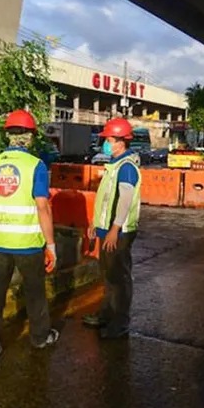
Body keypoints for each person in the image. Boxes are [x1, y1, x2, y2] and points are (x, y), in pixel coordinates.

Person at [0, 109, 59, 366]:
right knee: (35, 292)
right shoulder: (35, 166)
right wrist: (51, 245)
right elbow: (43, 206)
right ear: (30, 137)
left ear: (8, 135)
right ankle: (39, 337)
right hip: (27, 243)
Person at [83, 117, 142, 339]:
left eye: (108, 139)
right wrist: (95, 224)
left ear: (120, 141)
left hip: (120, 231)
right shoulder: (114, 165)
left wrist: (114, 230)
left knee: (119, 277)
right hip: (106, 228)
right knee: (108, 275)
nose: (105, 143)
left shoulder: (126, 167)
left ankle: (120, 322)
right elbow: (105, 200)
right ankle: (106, 314)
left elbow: (125, 200)